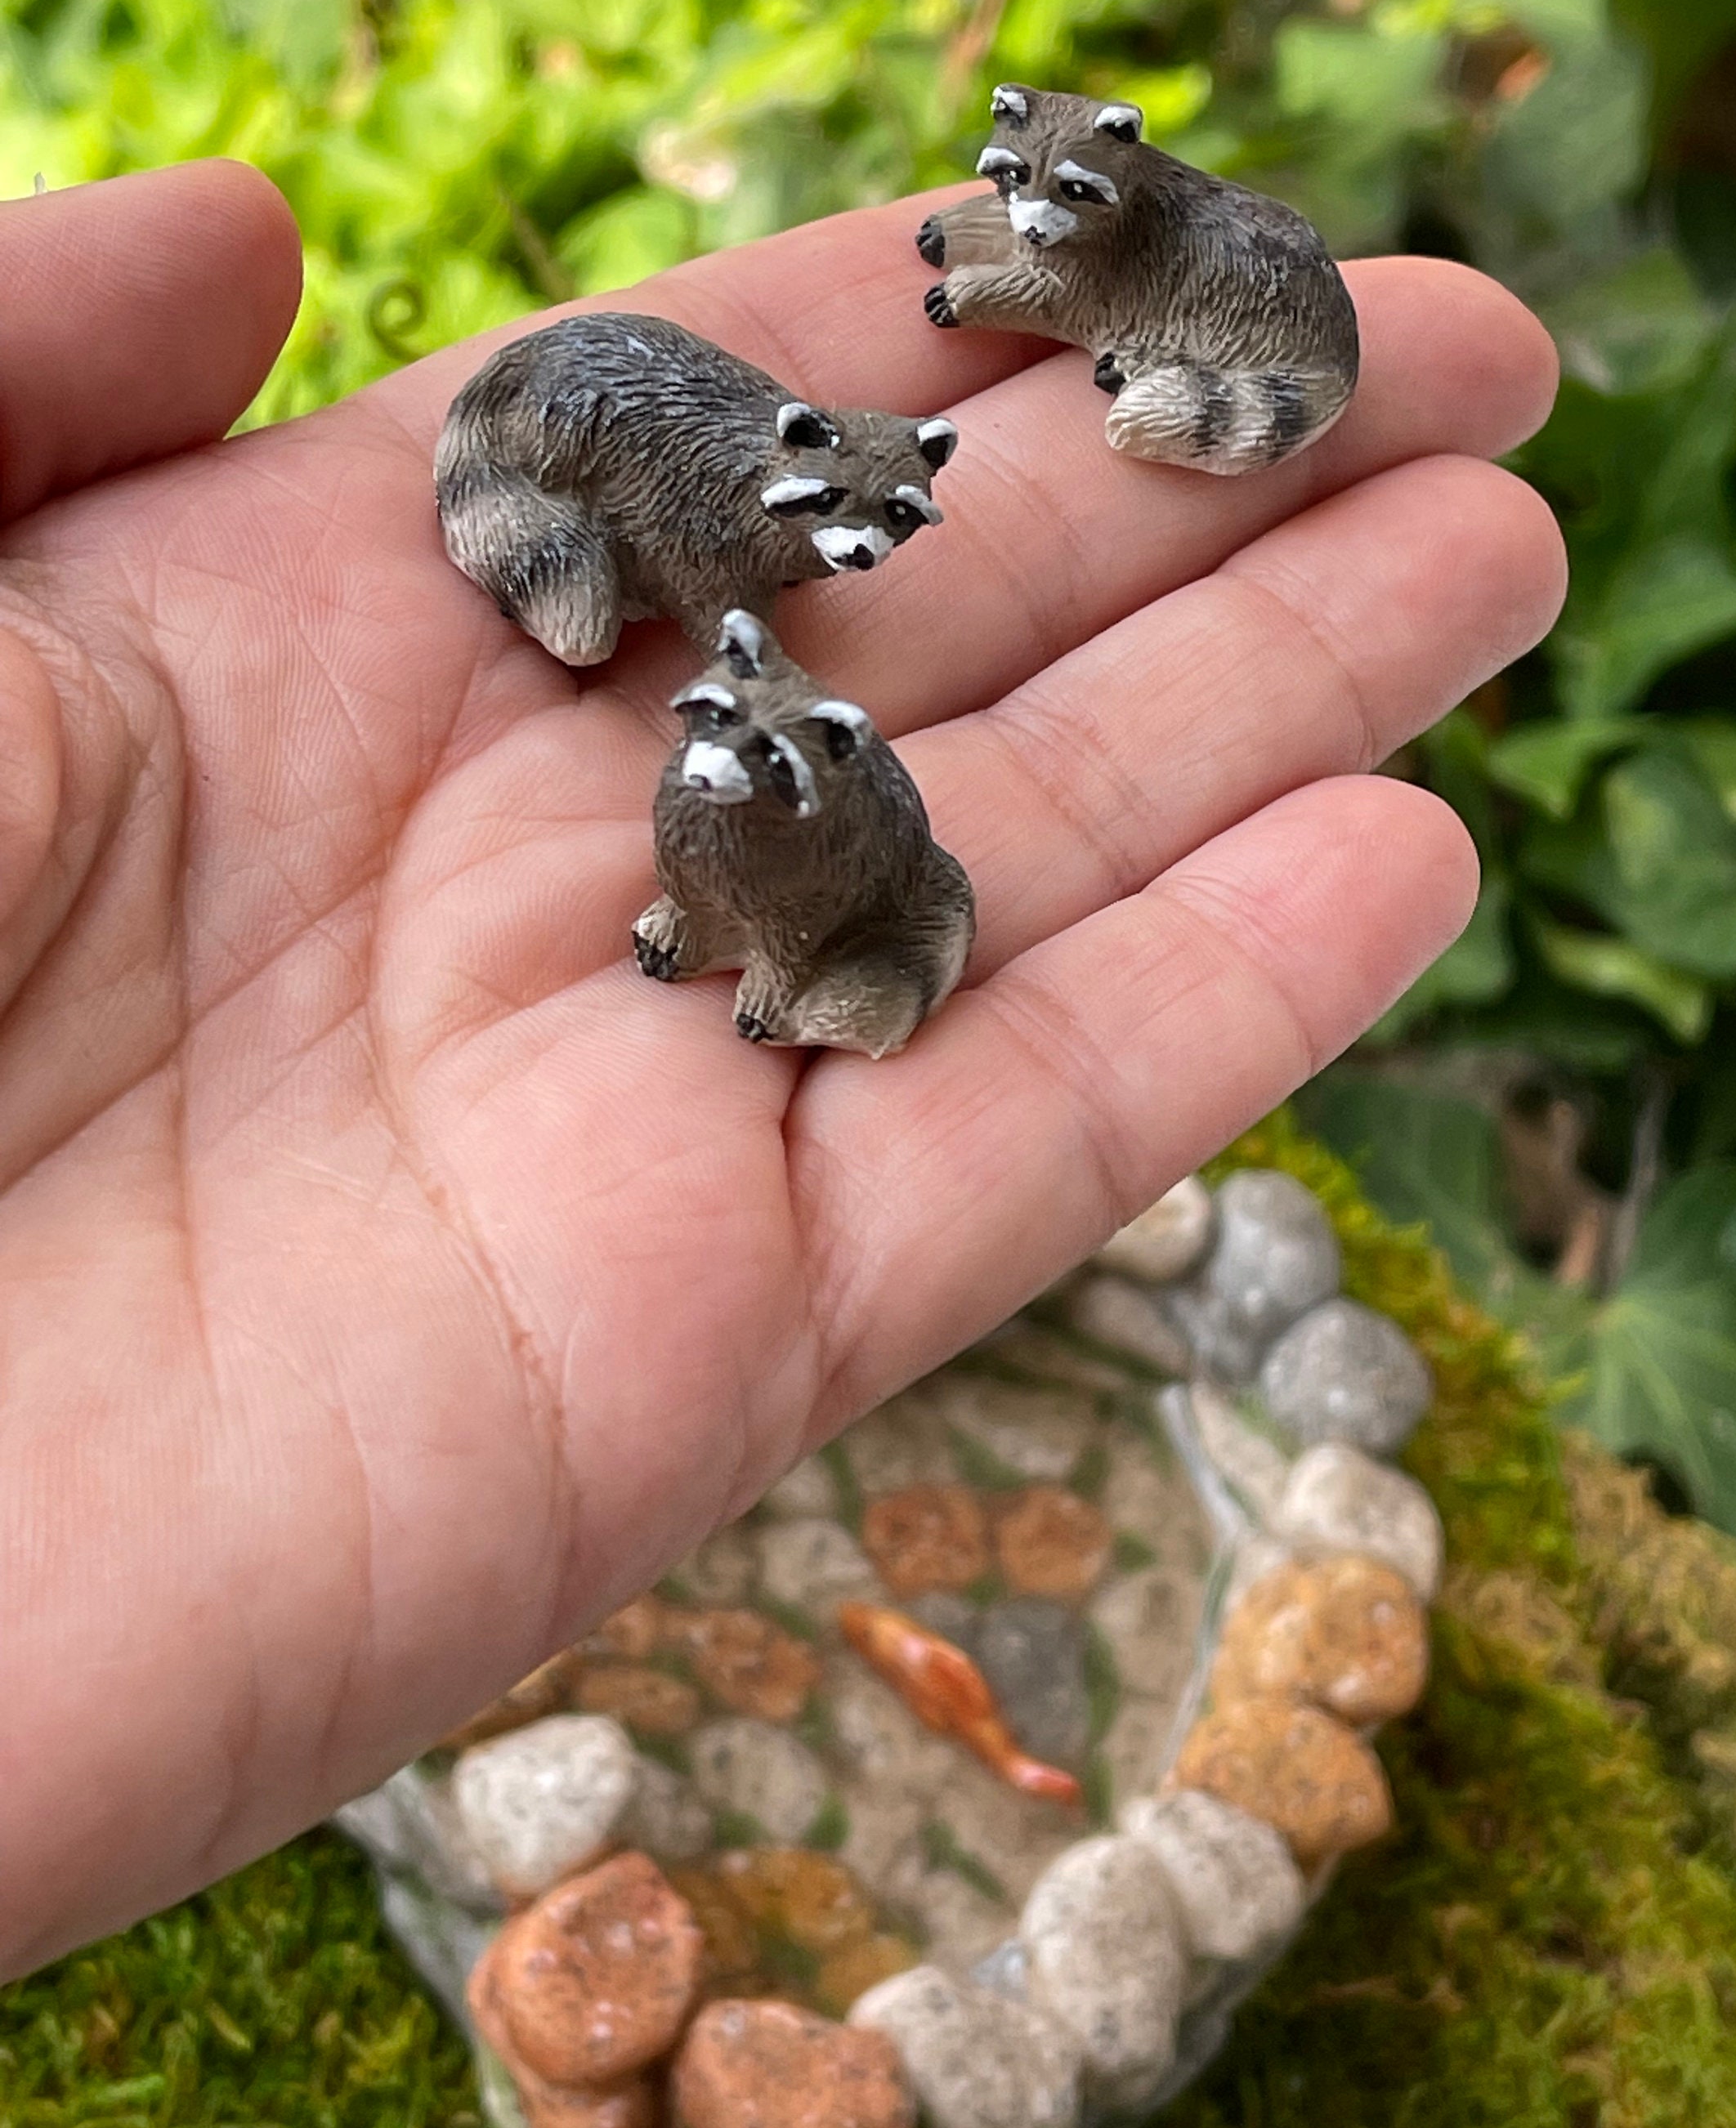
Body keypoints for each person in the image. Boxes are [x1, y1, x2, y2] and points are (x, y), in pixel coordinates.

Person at [0, 160, 1564, 1980]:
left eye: (867, 546)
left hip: (842, 838)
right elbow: (669, 679)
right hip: (582, 498)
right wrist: (695, 895)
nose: (854, 567)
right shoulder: (717, 580)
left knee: (833, 914)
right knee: (658, 743)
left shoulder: (831, 645)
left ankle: (813, 954)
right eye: (835, 539)